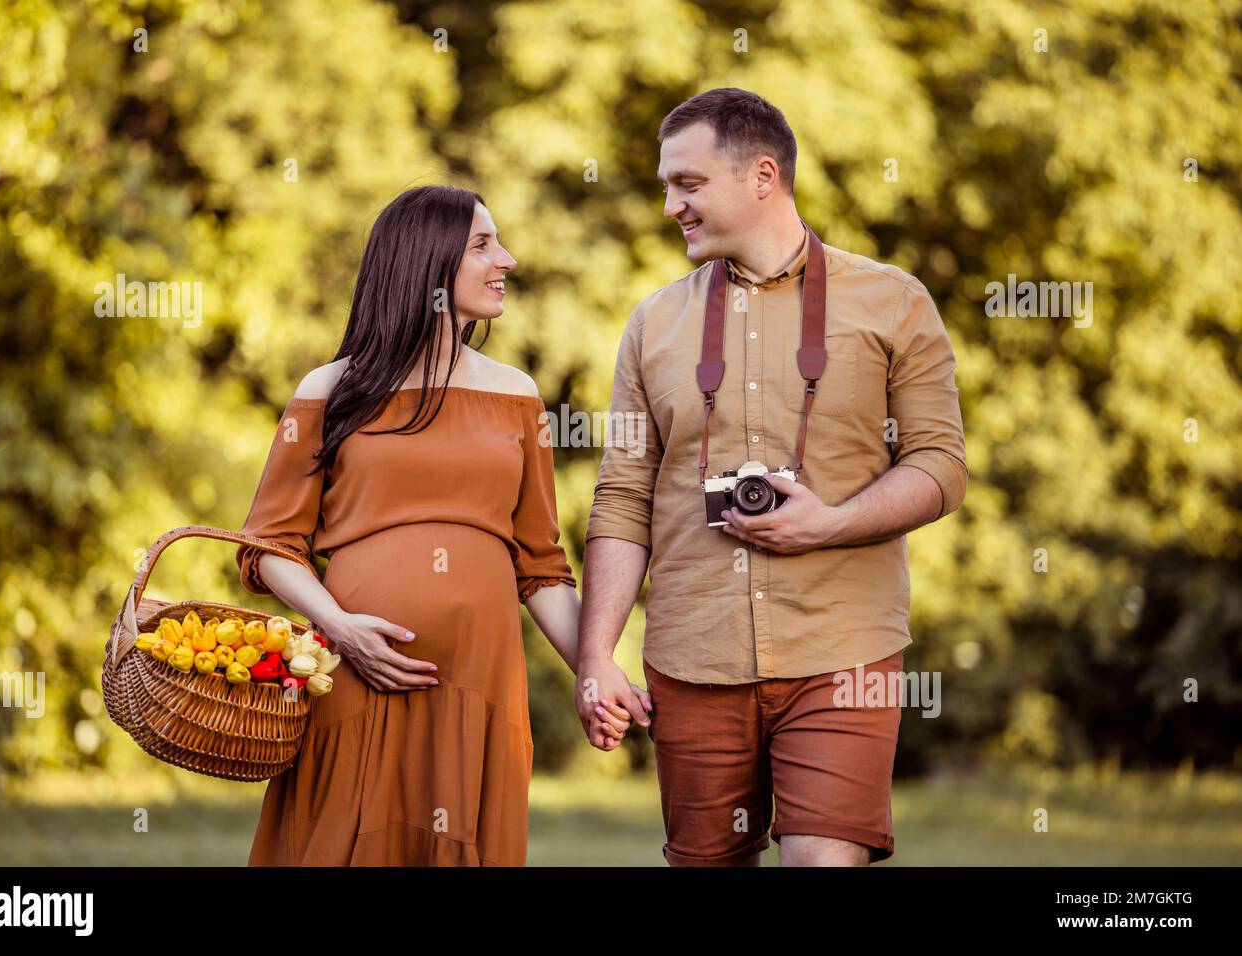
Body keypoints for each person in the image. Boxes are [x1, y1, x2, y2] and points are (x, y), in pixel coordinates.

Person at [577, 88, 969, 866]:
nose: (670, 207)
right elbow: (622, 498)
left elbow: (940, 466)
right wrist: (596, 656)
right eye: (666, 188)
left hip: (843, 648)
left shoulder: (894, 301)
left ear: (762, 176)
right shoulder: (651, 324)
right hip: (692, 659)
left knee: (824, 860)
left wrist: (830, 522)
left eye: (687, 185)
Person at [233, 184, 644, 866]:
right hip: (357, 674)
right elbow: (269, 545)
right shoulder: (328, 391)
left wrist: (597, 671)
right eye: (483, 245)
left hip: (481, 690)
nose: (506, 260)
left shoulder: (517, 396)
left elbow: (540, 567)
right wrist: (340, 627)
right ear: (426, 265)